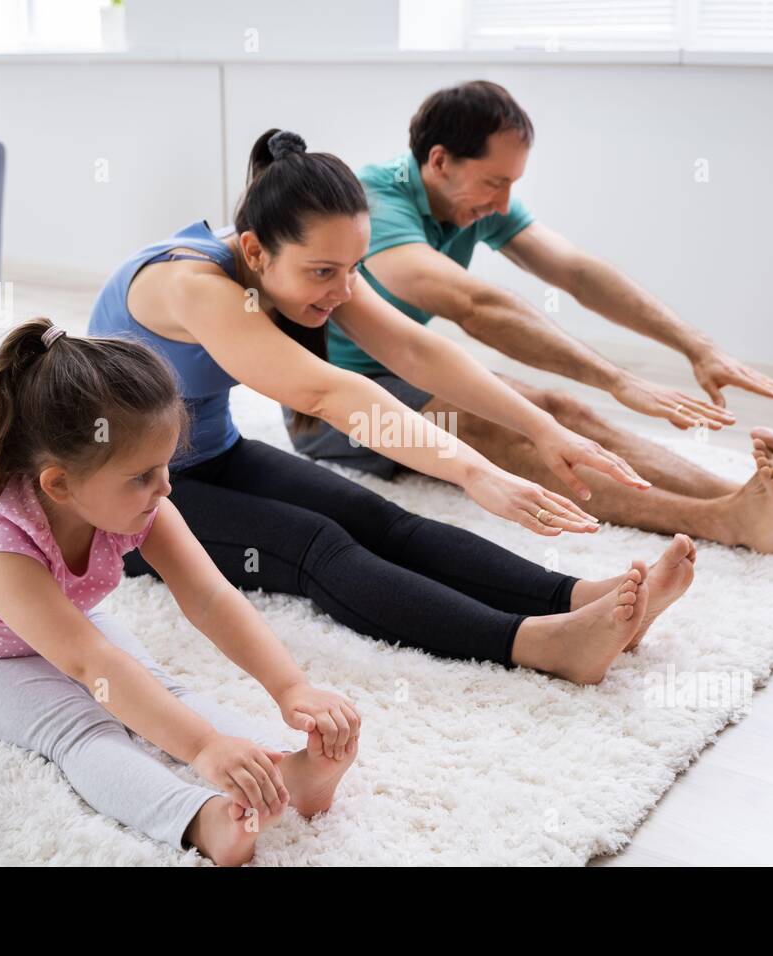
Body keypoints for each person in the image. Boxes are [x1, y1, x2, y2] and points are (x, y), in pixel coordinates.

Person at [89, 128, 698, 686]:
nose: (345, 288)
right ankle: (535, 644)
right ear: (253, 251)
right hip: (126, 497)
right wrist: (472, 470)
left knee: (378, 518)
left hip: (213, 454)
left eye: (353, 267)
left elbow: (414, 348)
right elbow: (329, 394)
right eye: (327, 271)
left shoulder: (305, 267)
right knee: (314, 543)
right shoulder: (194, 288)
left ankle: (576, 598)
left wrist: (542, 428)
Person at [289, 80, 773, 554]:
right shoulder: (378, 206)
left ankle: (755, 499)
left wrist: (695, 346)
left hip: (405, 373)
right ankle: (719, 520)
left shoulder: (469, 198)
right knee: (489, 427)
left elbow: (575, 272)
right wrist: (618, 379)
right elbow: (474, 307)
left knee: (558, 409)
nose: (503, 204)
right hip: (330, 409)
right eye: (494, 182)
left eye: (512, 184)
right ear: (438, 161)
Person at [0, 318, 360, 865]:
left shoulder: (140, 502)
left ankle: (286, 776)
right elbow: (87, 661)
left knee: (163, 693)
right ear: (59, 485)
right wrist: (201, 749)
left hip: (70, 624)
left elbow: (210, 597)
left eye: (166, 465)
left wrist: (290, 687)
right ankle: (198, 819)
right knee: (82, 727)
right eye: (142, 475)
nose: (165, 486)